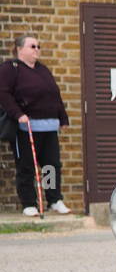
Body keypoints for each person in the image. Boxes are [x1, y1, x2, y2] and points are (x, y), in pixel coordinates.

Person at [1, 33, 71, 215]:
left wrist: (62, 118)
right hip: (26, 127)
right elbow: (4, 94)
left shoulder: (42, 70)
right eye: (33, 46)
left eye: (38, 46)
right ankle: (29, 203)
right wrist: (18, 114)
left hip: (49, 126)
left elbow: (55, 95)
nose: (37, 50)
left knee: (51, 165)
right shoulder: (11, 68)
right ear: (19, 49)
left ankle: (54, 199)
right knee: (26, 166)